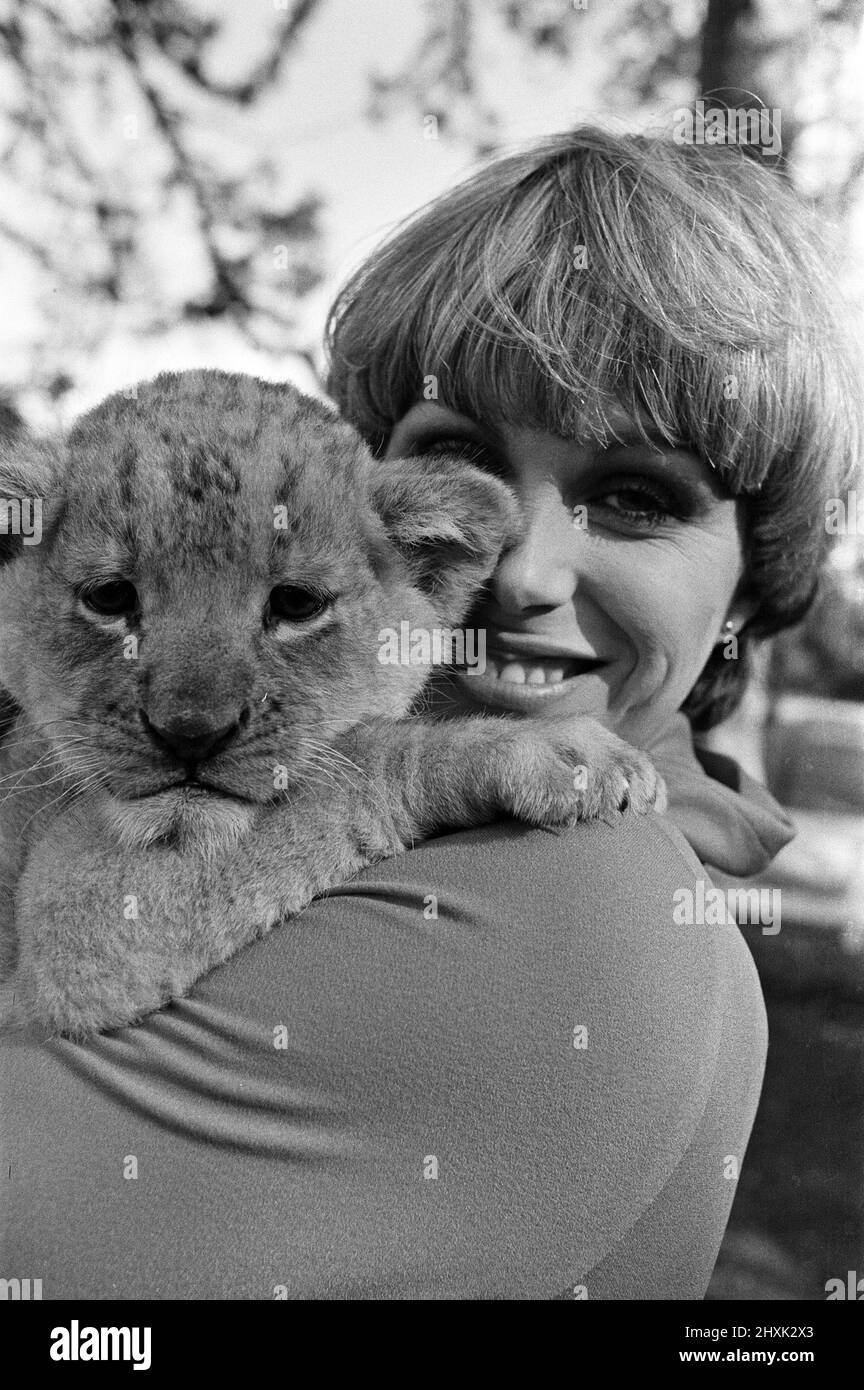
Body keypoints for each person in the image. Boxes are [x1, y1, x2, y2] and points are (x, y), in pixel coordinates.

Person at [1, 128, 857, 1300]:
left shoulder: (583, 903)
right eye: (457, 457)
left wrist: (407, 776)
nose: (516, 567)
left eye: (636, 495)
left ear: (753, 584)